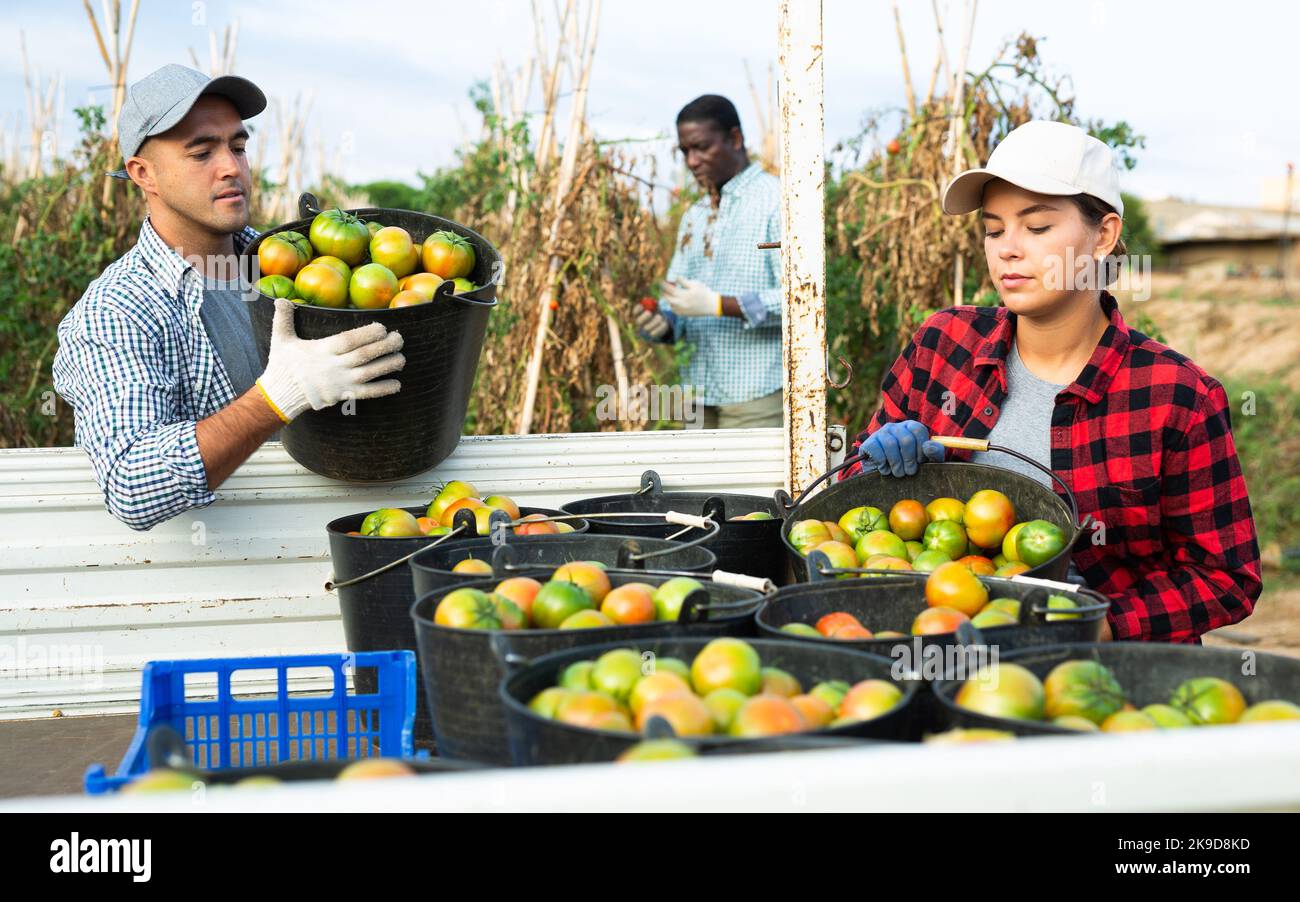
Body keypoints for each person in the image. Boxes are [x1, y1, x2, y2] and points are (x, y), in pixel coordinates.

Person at [840, 120, 1261, 644]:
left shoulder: (1174, 395)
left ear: (1103, 236)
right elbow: (849, 497)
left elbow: (1225, 578)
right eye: (994, 229)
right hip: (932, 644)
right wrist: (871, 465)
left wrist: (1103, 625)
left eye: (1037, 228)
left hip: (1097, 681)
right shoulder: (942, 345)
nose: (1008, 250)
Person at [53, 65, 405, 531]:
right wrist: (277, 398)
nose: (231, 167)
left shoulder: (297, 259)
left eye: (238, 147)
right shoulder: (118, 312)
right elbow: (131, 484)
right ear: (144, 174)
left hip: (363, 525)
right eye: (201, 153)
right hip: (234, 568)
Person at [635, 95, 783, 429]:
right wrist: (664, 322)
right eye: (685, 151)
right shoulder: (695, 216)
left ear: (735, 139)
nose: (692, 161)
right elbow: (677, 298)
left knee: (753, 483)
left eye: (701, 147)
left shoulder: (776, 201)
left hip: (756, 394)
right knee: (700, 483)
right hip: (698, 395)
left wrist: (719, 305)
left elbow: (800, 304)